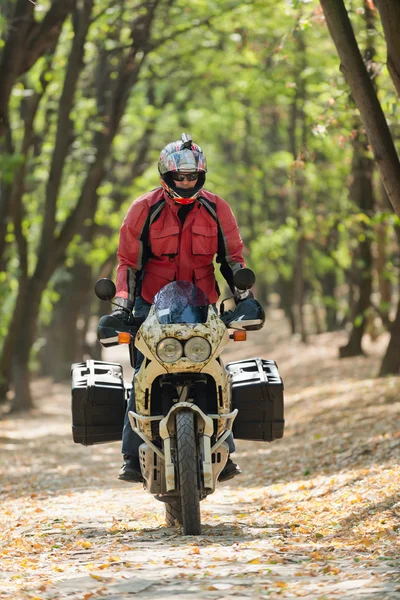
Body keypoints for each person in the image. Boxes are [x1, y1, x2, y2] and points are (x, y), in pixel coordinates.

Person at [111, 133, 250, 484]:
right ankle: (131, 455)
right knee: (145, 370)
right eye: (180, 177)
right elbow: (128, 262)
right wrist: (125, 304)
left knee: (212, 366)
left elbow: (232, 258)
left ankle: (224, 448)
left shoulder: (218, 208)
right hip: (151, 304)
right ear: (166, 176)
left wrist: (244, 295)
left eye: (192, 176)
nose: (186, 183)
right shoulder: (144, 208)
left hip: (201, 301)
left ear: (200, 176)